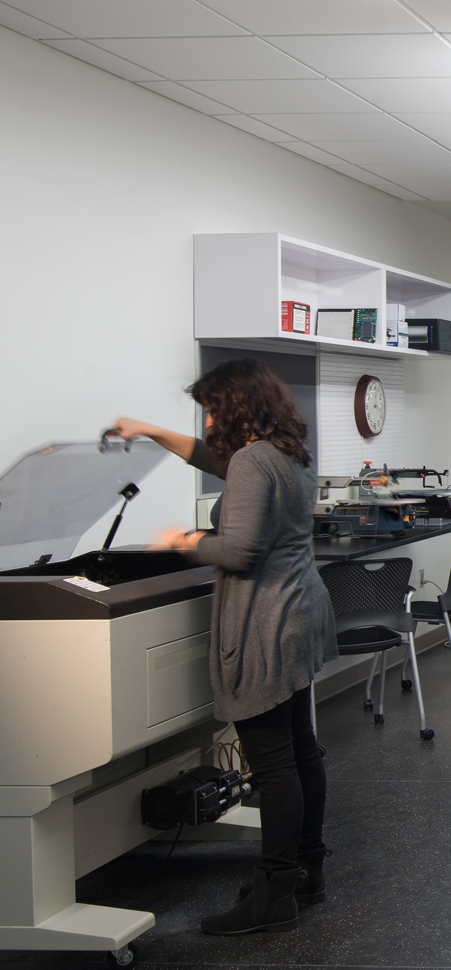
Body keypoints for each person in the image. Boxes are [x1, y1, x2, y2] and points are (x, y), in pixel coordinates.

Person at [108, 359, 337, 935]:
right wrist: (149, 430)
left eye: (212, 410)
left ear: (236, 407)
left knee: (274, 762)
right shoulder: (287, 452)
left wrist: (182, 539)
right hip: (300, 609)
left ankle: (274, 892)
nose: (208, 421)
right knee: (300, 748)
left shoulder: (252, 461)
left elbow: (239, 550)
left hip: (267, 620)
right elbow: (214, 460)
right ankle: (306, 870)